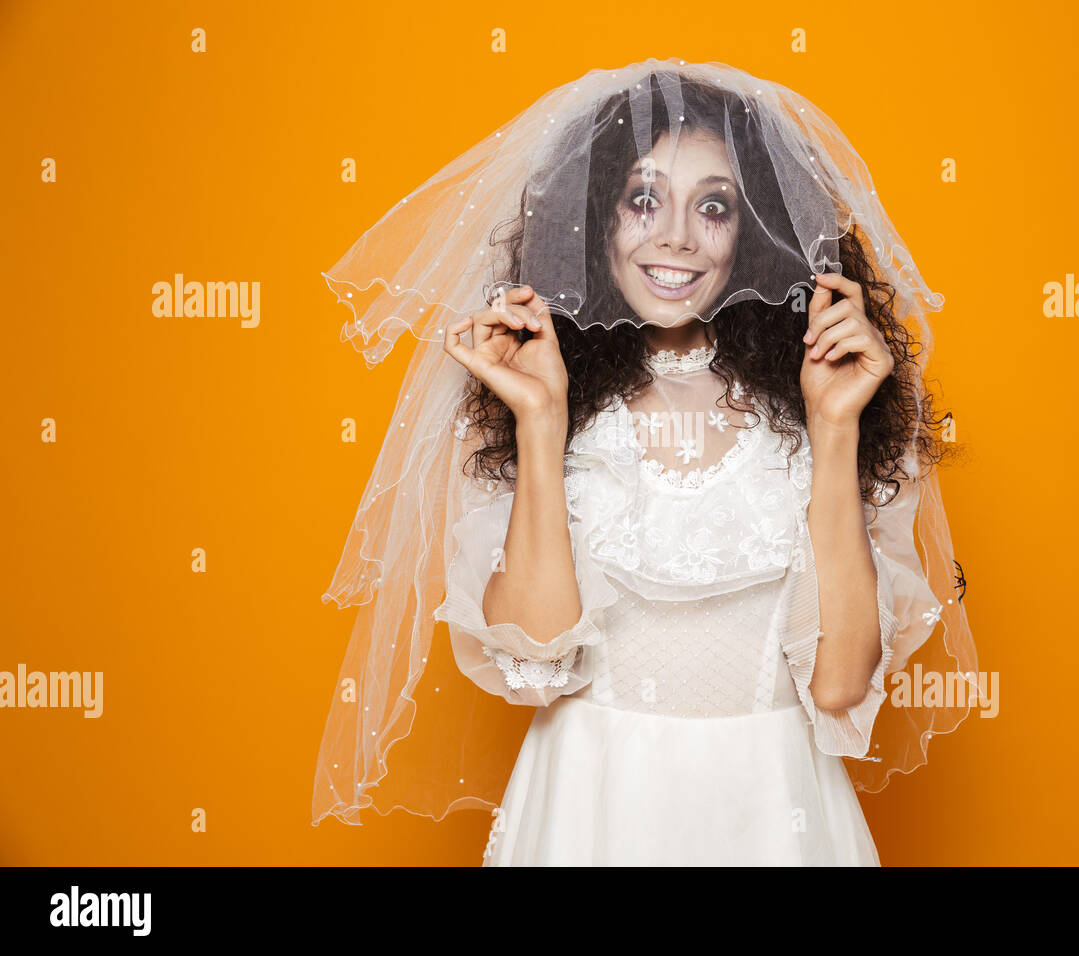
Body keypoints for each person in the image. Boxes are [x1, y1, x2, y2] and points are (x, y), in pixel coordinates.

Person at [312, 59, 977, 866]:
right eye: (643, 199)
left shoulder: (825, 396)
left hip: (777, 819)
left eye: (715, 207)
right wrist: (541, 423)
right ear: (595, 221)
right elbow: (535, 660)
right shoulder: (536, 391)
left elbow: (839, 688)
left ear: (758, 232)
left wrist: (834, 431)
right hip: (588, 814)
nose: (676, 238)